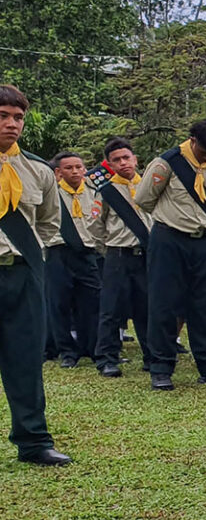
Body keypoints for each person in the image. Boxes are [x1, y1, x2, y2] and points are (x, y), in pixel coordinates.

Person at [136, 119, 206, 391]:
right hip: (169, 238)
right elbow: (144, 199)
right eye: (204, 151)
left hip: (204, 241)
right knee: (164, 303)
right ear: (192, 140)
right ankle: (160, 367)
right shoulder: (165, 163)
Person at [0, 85, 69, 466]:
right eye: (3, 116)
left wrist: (26, 259)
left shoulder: (39, 170)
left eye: (18, 117)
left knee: (25, 359)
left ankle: (33, 441)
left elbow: (47, 225)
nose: (12, 124)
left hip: (22, 273)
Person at [90, 138, 151, 379]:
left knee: (147, 308)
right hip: (118, 254)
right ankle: (107, 358)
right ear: (110, 164)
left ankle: (152, 355)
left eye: (127, 157)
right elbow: (95, 225)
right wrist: (109, 250)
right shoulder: (106, 189)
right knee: (111, 309)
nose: (123, 163)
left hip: (146, 255)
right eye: (116, 160)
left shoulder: (149, 184)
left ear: (135, 159)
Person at [46, 150, 101, 368]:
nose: (75, 171)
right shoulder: (50, 193)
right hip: (59, 252)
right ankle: (67, 351)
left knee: (91, 302)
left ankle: (92, 346)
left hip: (87, 253)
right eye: (69, 168)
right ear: (58, 172)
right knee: (59, 303)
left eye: (79, 166)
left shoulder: (94, 191)